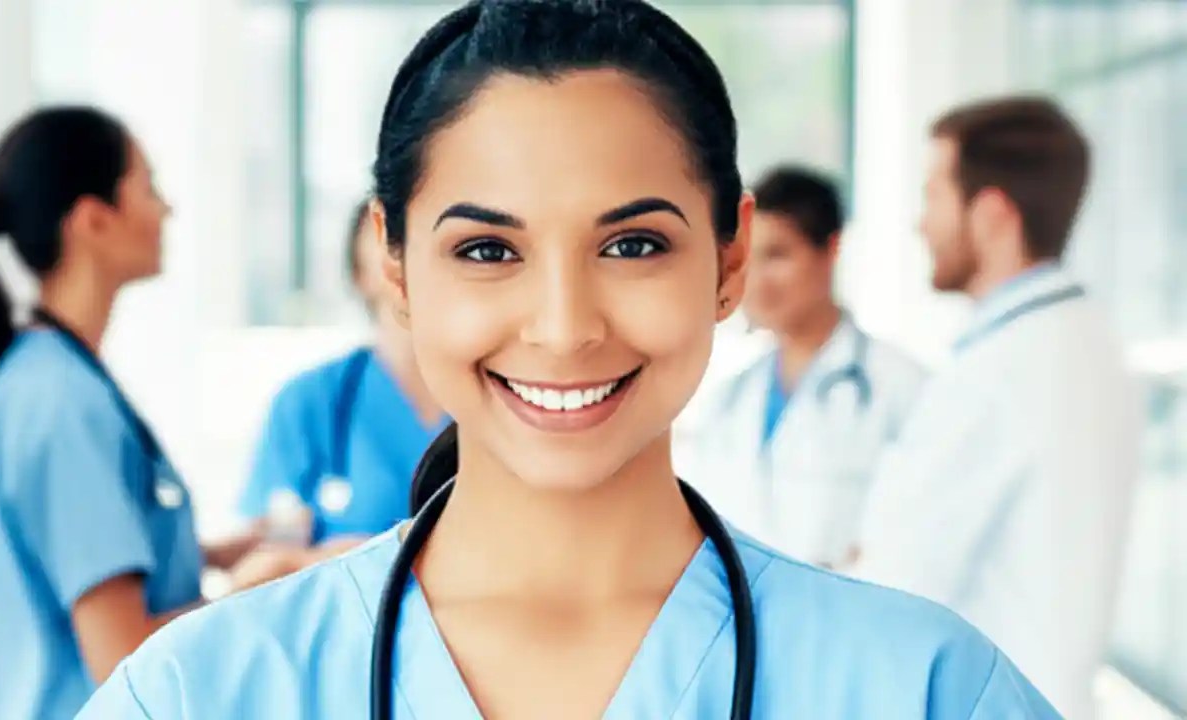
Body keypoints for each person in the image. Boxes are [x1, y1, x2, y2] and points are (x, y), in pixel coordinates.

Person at [79, 4, 1059, 717]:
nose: (562, 326)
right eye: (485, 250)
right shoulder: (201, 693)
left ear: (727, 258)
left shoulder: (924, 689)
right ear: (396, 266)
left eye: (631, 245)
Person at [0, 107, 263, 720]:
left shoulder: (51, 377)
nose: (166, 210)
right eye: (148, 188)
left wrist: (222, 555)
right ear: (93, 220)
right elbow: (122, 655)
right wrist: (260, 593)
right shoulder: (59, 399)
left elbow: (91, 556)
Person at [852, 97, 1139, 720]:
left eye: (933, 195)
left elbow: (894, 589)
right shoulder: (1085, 340)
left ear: (990, 214)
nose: (919, 223)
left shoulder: (998, 373)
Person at [675, 166, 926, 569]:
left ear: (832, 249)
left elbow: (917, 541)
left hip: (853, 622)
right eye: (747, 259)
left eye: (777, 255)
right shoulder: (729, 399)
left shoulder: (902, 389)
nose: (757, 281)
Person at [230, 198, 447, 586]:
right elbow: (269, 567)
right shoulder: (311, 403)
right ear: (358, 272)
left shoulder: (503, 394)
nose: (401, 254)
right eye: (385, 235)